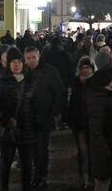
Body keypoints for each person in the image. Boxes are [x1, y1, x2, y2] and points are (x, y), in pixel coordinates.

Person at [0, 47, 37, 191]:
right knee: (5, 164)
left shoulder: (30, 80)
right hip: (9, 129)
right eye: (13, 62)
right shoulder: (2, 81)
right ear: (9, 64)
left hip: (27, 128)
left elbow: (36, 102)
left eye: (19, 61)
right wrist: (6, 118)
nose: (16, 64)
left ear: (22, 63)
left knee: (27, 165)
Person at [24, 46, 67, 189]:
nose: (31, 61)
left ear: (39, 57)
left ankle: (41, 177)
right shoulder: (24, 73)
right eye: (28, 58)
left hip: (44, 118)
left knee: (41, 150)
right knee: (31, 151)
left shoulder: (50, 71)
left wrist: (53, 114)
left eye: (33, 57)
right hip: (28, 119)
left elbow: (60, 93)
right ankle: (35, 177)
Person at [85, 66, 112, 191]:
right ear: (108, 81)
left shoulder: (105, 96)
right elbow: (96, 130)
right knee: (104, 183)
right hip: (108, 152)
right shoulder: (101, 100)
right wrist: (107, 153)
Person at [66, 56, 96, 189]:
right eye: (83, 68)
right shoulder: (75, 82)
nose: (85, 70)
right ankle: (83, 177)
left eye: (88, 67)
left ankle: (92, 177)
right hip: (79, 123)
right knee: (83, 151)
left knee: (93, 150)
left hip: (94, 121)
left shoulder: (97, 82)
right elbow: (72, 103)